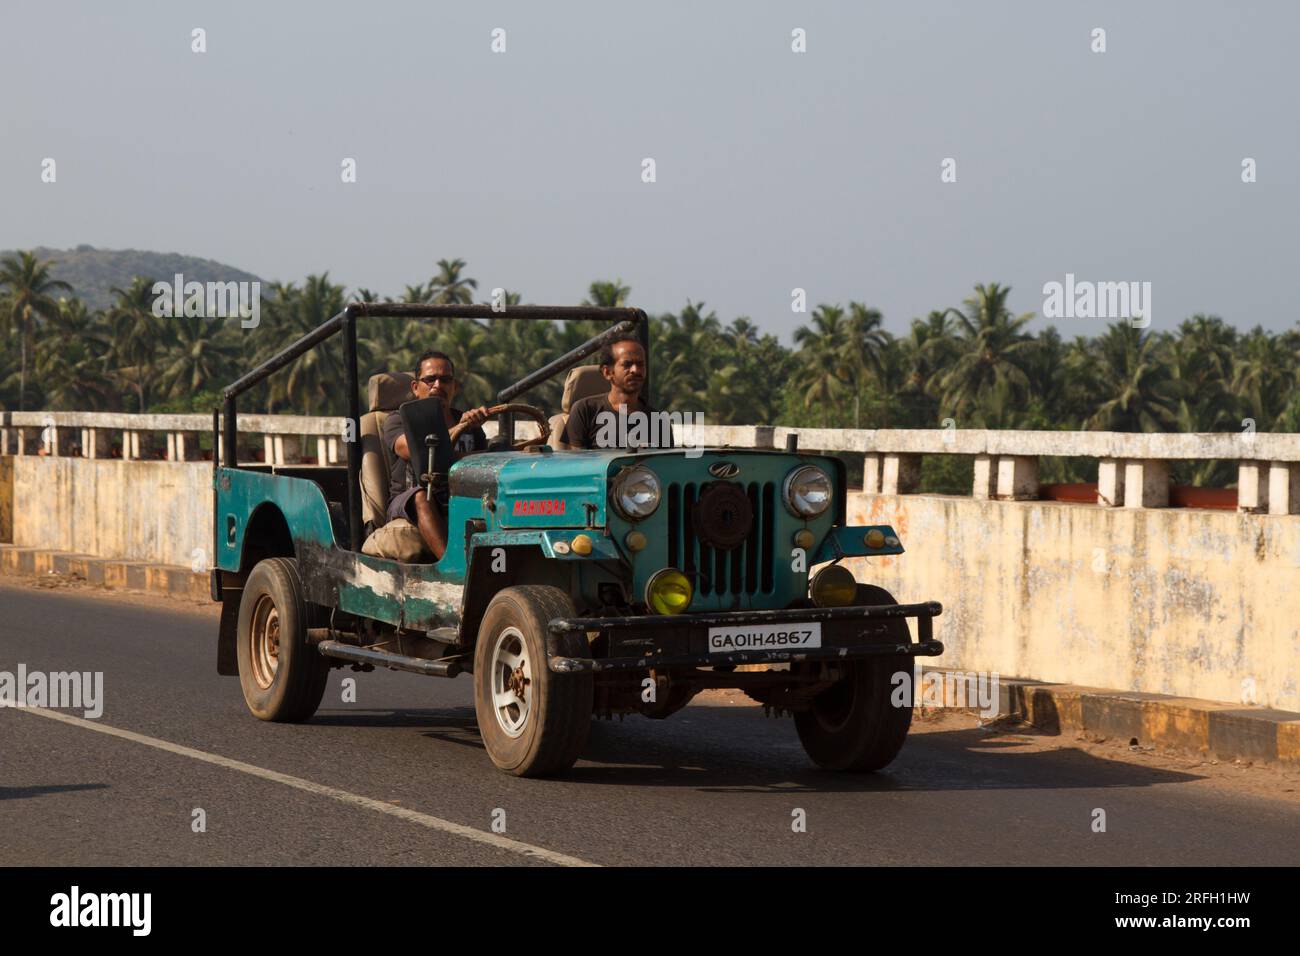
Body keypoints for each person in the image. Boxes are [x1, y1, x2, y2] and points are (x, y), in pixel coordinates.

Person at [384, 351, 490, 560]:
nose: (438, 385)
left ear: (454, 387)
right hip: (408, 501)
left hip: (457, 498)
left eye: (446, 380)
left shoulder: (470, 424)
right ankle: (452, 567)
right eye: (430, 379)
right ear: (416, 387)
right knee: (421, 496)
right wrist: (460, 428)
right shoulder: (398, 419)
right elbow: (414, 450)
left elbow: (482, 465)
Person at [563, 338, 674, 450]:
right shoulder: (585, 410)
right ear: (607, 372)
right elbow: (575, 463)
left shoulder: (659, 420)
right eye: (627, 364)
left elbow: (666, 465)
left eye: (640, 364)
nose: (635, 370)